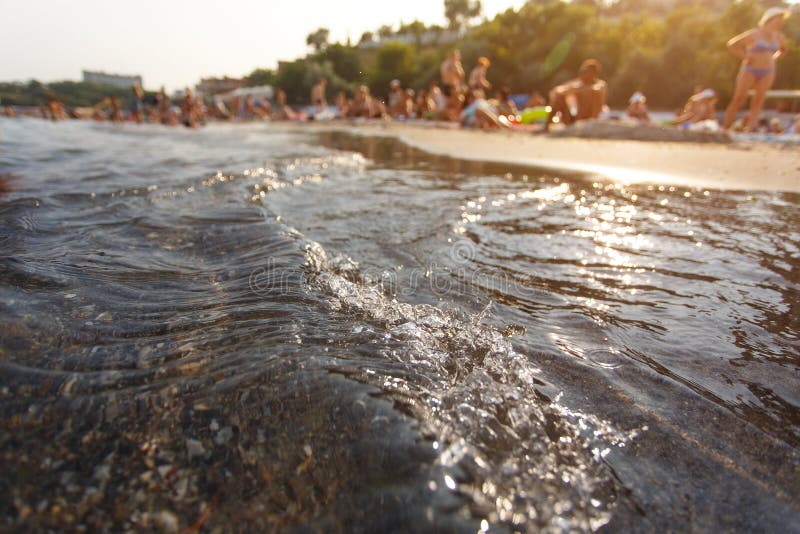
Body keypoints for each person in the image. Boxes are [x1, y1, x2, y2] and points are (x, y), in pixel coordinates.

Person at [723, 7, 790, 131]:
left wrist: (773, 58)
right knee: (739, 98)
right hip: (749, 69)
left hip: (768, 71)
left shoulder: (779, 36)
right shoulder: (754, 34)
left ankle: (750, 128)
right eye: (779, 19)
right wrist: (744, 56)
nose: (781, 22)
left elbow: (784, 50)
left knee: (758, 100)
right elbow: (732, 44)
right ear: (770, 19)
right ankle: (725, 128)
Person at [545, 59, 607, 131]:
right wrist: (573, 89)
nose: (582, 74)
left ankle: (585, 122)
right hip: (574, 116)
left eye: (585, 72)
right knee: (559, 98)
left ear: (594, 74)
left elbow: (597, 89)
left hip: (590, 116)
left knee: (592, 94)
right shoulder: (578, 84)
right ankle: (546, 126)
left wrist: (577, 89)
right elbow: (557, 90)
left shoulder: (600, 84)